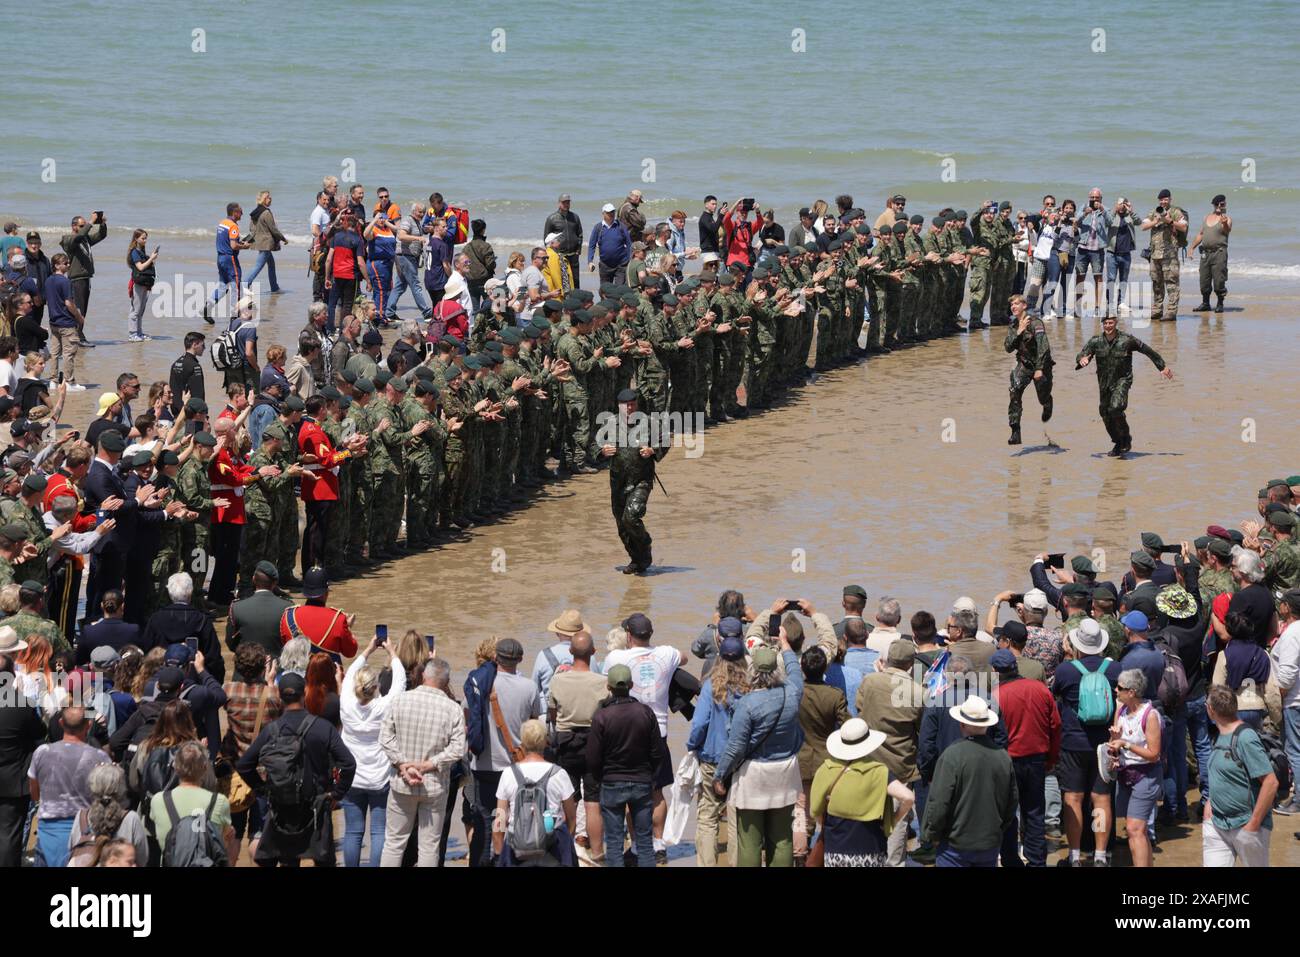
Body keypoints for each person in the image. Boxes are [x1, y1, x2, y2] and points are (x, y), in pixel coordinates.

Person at [235, 672, 356, 867]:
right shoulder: (323, 727)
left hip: (282, 809)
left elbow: (243, 765)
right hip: (317, 807)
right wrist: (336, 794)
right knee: (323, 861)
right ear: (304, 694)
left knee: (288, 861)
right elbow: (349, 764)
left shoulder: (272, 729)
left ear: (280, 696)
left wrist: (264, 789)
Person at [711, 633, 803, 869]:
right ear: (776, 670)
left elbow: (736, 747)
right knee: (782, 839)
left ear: (753, 672)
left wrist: (720, 775)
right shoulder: (792, 693)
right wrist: (785, 645)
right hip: (785, 771)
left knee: (749, 841)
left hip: (754, 774)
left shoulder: (748, 703)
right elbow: (794, 671)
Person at [378, 656, 463, 867]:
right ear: (446, 681)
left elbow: (385, 738)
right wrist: (429, 765)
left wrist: (403, 765)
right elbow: (458, 749)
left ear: (424, 676)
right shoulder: (453, 709)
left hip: (401, 782)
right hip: (434, 785)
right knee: (429, 846)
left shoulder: (400, 700)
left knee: (394, 843)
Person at [1052, 617, 1121, 866]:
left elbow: (1055, 696)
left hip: (1073, 743)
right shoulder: (1115, 670)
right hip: (1105, 744)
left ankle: (1074, 855)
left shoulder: (1066, 670)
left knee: (1073, 799)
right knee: (1101, 799)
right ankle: (1101, 855)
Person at [920, 695, 1017, 867]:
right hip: (989, 843)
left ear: (961, 724)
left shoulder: (951, 755)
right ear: (987, 725)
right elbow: (1011, 803)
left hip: (954, 846)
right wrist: (997, 831)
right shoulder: (1003, 757)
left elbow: (939, 802)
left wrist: (932, 835)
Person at [586, 664, 665, 867]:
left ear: (608, 686)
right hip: (641, 782)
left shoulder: (602, 716)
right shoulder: (645, 713)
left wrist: (601, 777)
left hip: (611, 782)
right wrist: (652, 776)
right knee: (646, 843)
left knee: (613, 843)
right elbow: (658, 751)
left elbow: (593, 757)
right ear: (631, 685)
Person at [467, 637, 536, 867]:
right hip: (515, 766)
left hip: (485, 766)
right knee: (511, 820)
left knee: (485, 821)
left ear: (496, 657)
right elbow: (535, 724)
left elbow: (469, 718)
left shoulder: (481, 683)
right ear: (520, 659)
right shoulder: (529, 687)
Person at [339, 633, 405, 867]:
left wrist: (367, 651)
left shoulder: (346, 704)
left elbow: (346, 679)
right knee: (379, 832)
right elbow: (400, 684)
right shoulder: (383, 707)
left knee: (353, 832)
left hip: (352, 778)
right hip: (379, 777)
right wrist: (393, 654)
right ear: (376, 687)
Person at [809, 717, 911, 868]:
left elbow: (816, 812)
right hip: (871, 851)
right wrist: (892, 822)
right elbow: (908, 797)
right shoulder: (879, 772)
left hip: (835, 851)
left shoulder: (826, 770)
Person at [989, 649, 1059, 867]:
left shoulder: (994, 695)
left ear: (995, 671)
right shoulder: (1040, 689)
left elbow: (990, 734)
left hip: (1007, 762)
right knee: (1035, 812)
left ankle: (1011, 860)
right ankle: (1037, 860)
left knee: (1007, 814)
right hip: (1037, 759)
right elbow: (1055, 726)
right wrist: (1052, 757)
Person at [1075, 314, 1173, 457]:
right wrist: (1082, 359)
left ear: (1115, 323)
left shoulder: (1127, 340)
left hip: (1122, 380)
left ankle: (1126, 438)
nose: (1108, 326)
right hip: (1104, 383)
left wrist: (1162, 366)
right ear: (1102, 324)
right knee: (1104, 412)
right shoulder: (1095, 341)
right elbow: (1082, 355)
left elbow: (1147, 350)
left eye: (1111, 323)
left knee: (1115, 407)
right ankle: (1118, 442)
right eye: (1106, 323)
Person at [1202, 684, 1277, 866]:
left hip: (1247, 825)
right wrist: (1211, 801)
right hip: (1217, 823)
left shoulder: (1246, 738)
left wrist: (1254, 824)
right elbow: (1224, 774)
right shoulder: (1218, 735)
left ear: (1211, 710)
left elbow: (1270, 782)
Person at [28, 705, 111, 867]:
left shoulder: (42, 752)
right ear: (88, 725)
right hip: (86, 831)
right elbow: (105, 797)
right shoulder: (100, 757)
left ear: (60, 723)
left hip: (49, 832)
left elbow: (35, 793)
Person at [492, 718, 577, 867]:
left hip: (516, 846)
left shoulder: (508, 774)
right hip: (553, 846)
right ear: (545, 742)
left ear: (522, 743)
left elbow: (500, 820)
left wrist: (499, 853)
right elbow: (571, 818)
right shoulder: (559, 773)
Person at [599, 389, 664, 574]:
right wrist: (602, 451)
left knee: (632, 516)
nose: (629, 408)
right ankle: (637, 560)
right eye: (625, 405)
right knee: (622, 526)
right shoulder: (609, 423)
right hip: (618, 482)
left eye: (632, 404)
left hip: (641, 480)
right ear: (619, 406)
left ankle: (645, 546)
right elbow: (594, 445)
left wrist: (652, 450)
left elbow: (664, 441)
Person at [795, 645, 849, 864]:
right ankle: (824, 854)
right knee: (826, 813)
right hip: (827, 762)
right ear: (825, 668)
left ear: (802, 667)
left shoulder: (795, 692)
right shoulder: (834, 695)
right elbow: (848, 725)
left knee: (800, 810)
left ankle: (799, 855)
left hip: (800, 758)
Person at [1107, 668, 1162, 867]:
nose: (1115, 690)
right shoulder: (1121, 709)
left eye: (1119, 688)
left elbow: (1154, 754)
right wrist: (1114, 742)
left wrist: (1126, 744)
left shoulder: (1150, 715)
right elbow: (1116, 741)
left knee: (1134, 829)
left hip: (1146, 776)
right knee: (1139, 830)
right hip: (1126, 774)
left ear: (1131, 692)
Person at [147, 740, 232, 863]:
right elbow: (223, 845)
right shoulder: (219, 801)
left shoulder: (158, 800)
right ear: (204, 768)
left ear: (175, 767)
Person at [0, 648, 45, 867]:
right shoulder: (22, 704)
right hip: (13, 781)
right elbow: (39, 734)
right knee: (10, 837)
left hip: (14, 779)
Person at [66, 763, 149, 867]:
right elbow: (142, 859)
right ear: (122, 788)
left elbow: (72, 848)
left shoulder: (81, 816)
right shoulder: (131, 818)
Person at [277, 568, 357, 660]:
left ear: (304, 593)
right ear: (326, 593)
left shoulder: (288, 616)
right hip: (327, 673)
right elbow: (351, 652)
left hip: (295, 673)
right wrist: (348, 628)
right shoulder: (338, 619)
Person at [1004, 294, 1052, 445]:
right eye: (1012, 305)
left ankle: (1047, 403)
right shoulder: (1013, 325)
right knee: (1014, 390)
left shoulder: (1035, 322)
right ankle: (1015, 431)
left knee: (1042, 396)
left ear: (1024, 306)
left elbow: (1044, 347)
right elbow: (1008, 348)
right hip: (1024, 364)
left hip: (1042, 364)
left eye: (1017, 304)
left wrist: (1039, 369)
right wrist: (1019, 331)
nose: (1013, 307)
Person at [1140, 189, 1188, 322]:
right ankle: (1157, 310)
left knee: (1171, 283)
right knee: (1156, 283)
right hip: (1155, 255)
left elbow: (1183, 227)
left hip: (1170, 254)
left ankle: (1172, 312)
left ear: (1170, 199)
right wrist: (1155, 221)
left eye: (1165, 199)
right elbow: (1143, 226)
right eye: (1161, 199)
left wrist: (1169, 221)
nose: (1163, 202)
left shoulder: (1175, 212)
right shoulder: (1154, 212)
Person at [59, 212, 106, 346]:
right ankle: (77, 335)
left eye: (84, 225)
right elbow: (77, 238)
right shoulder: (68, 239)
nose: (85, 227)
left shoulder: (85, 239)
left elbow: (101, 235)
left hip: (86, 277)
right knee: (78, 309)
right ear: (74, 226)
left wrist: (102, 224)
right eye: (82, 225)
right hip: (77, 278)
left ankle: (79, 334)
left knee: (83, 309)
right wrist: (91, 222)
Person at [202, 203, 253, 325]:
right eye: (240, 212)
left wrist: (238, 242)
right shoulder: (234, 226)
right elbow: (234, 246)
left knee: (222, 286)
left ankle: (208, 306)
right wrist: (245, 246)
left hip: (220, 258)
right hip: (230, 259)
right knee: (236, 288)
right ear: (234, 213)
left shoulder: (222, 223)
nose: (242, 214)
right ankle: (234, 316)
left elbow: (227, 240)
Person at [45, 253, 86, 390]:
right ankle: (69, 382)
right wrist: (79, 317)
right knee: (69, 354)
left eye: (68, 262)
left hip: (53, 322)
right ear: (57, 265)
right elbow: (68, 303)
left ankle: (53, 380)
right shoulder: (65, 281)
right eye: (65, 263)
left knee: (54, 353)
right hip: (66, 322)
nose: (68, 265)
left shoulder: (48, 280)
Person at [1190, 194, 1231, 314]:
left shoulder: (1227, 219)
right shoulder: (1206, 217)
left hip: (1219, 253)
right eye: (1217, 204)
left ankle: (1220, 304)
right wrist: (1192, 248)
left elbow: (1227, 231)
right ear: (1213, 205)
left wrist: (1224, 223)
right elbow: (1201, 234)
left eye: (1222, 204)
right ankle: (1205, 303)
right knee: (1204, 280)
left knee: (1219, 280)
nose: (1219, 206)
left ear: (1225, 205)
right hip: (1205, 253)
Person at [245, 190, 288, 295]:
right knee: (258, 266)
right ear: (264, 200)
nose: (270, 199)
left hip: (260, 243)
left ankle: (274, 287)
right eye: (268, 197)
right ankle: (245, 283)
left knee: (271, 265)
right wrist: (283, 239)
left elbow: (251, 228)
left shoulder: (255, 212)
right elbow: (273, 229)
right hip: (266, 244)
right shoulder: (266, 212)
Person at [543, 194, 583, 288]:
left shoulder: (575, 217)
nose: (566, 204)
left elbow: (580, 234)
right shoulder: (552, 218)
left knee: (576, 282)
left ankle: (576, 302)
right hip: (560, 256)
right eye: (564, 202)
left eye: (568, 202)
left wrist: (578, 251)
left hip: (573, 256)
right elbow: (546, 240)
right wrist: (552, 255)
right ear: (559, 203)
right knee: (563, 283)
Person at [125, 229, 158, 342]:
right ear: (136, 239)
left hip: (145, 283)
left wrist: (152, 260)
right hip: (138, 283)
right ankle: (132, 333)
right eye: (143, 238)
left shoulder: (142, 252)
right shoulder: (134, 252)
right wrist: (151, 259)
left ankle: (139, 332)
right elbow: (140, 267)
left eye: (146, 238)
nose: (145, 240)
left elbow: (146, 265)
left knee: (141, 310)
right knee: (136, 309)